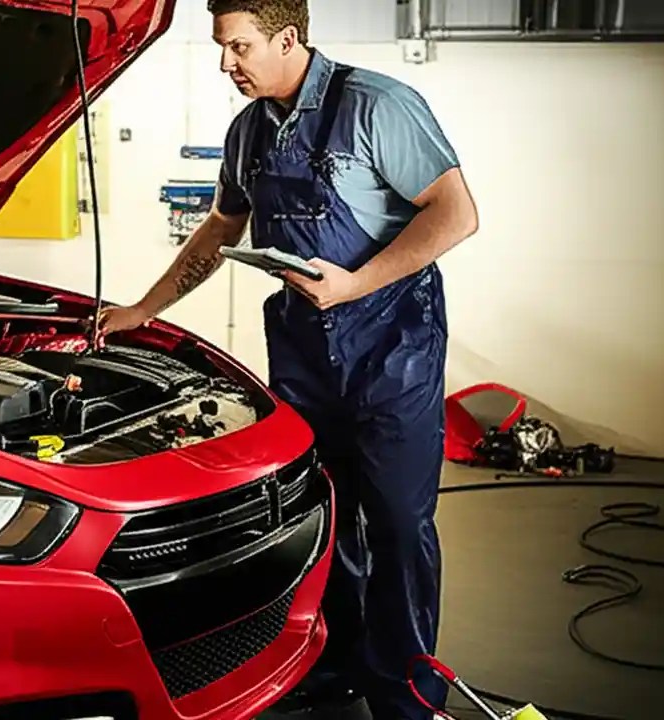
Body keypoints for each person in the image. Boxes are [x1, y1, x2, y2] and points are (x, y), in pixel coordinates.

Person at [95, 0, 479, 718]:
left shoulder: (379, 107)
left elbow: (456, 213)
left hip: (391, 344)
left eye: (238, 46)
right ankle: (335, 664)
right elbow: (222, 226)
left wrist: (356, 284)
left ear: (287, 38)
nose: (224, 63)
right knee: (321, 512)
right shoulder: (248, 131)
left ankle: (406, 692)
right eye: (221, 46)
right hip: (305, 347)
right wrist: (144, 310)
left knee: (396, 522)